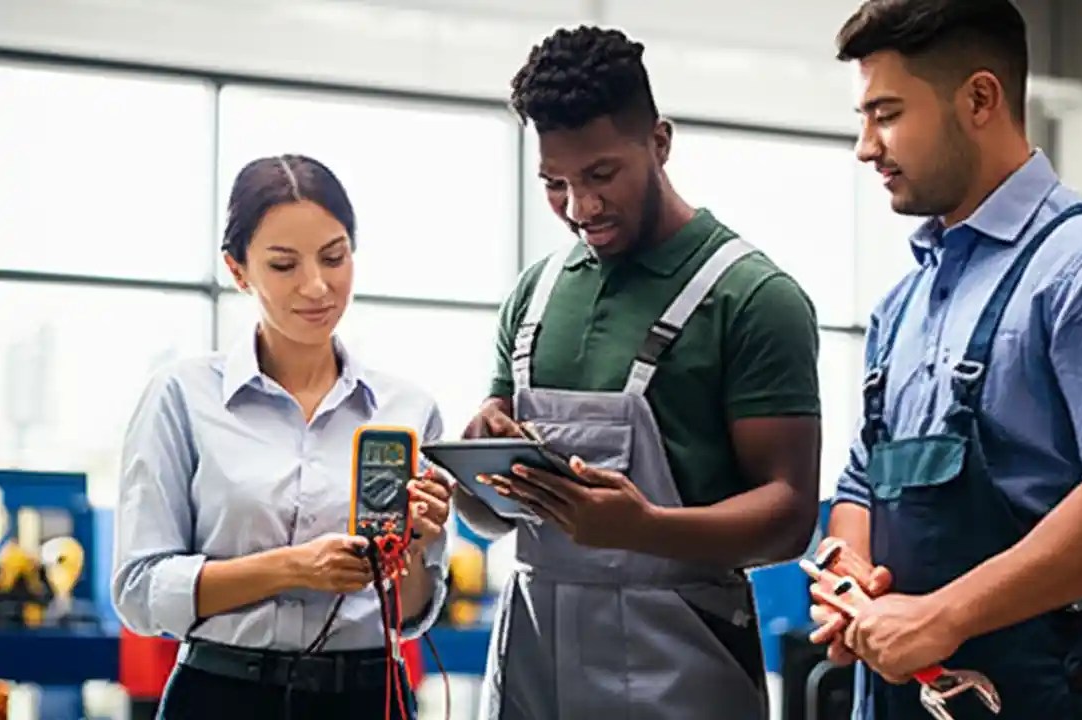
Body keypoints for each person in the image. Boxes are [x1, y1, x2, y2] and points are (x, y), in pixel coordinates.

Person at [807, 1, 1082, 718]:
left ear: (980, 99)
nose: (866, 146)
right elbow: (861, 483)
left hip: (1058, 690)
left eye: (887, 113)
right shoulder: (902, 305)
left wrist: (944, 616)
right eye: (863, 118)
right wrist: (852, 579)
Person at [451, 25, 823, 720]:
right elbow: (487, 519)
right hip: (532, 664)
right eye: (554, 184)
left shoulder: (753, 299)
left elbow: (790, 514)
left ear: (659, 142)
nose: (580, 208)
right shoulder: (534, 297)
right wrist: (474, 465)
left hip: (682, 668)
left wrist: (642, 526)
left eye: (599, 176)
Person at [111, 154, 453, 720]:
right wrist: (294, 568)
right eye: (283, 265)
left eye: (334, 257)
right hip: (223, 698)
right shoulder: (183, 397)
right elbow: (141, 591)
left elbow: (412, 611)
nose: (316, 286)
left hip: (369, 699)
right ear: (238, 270)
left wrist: (414, 545)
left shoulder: (408, 409)